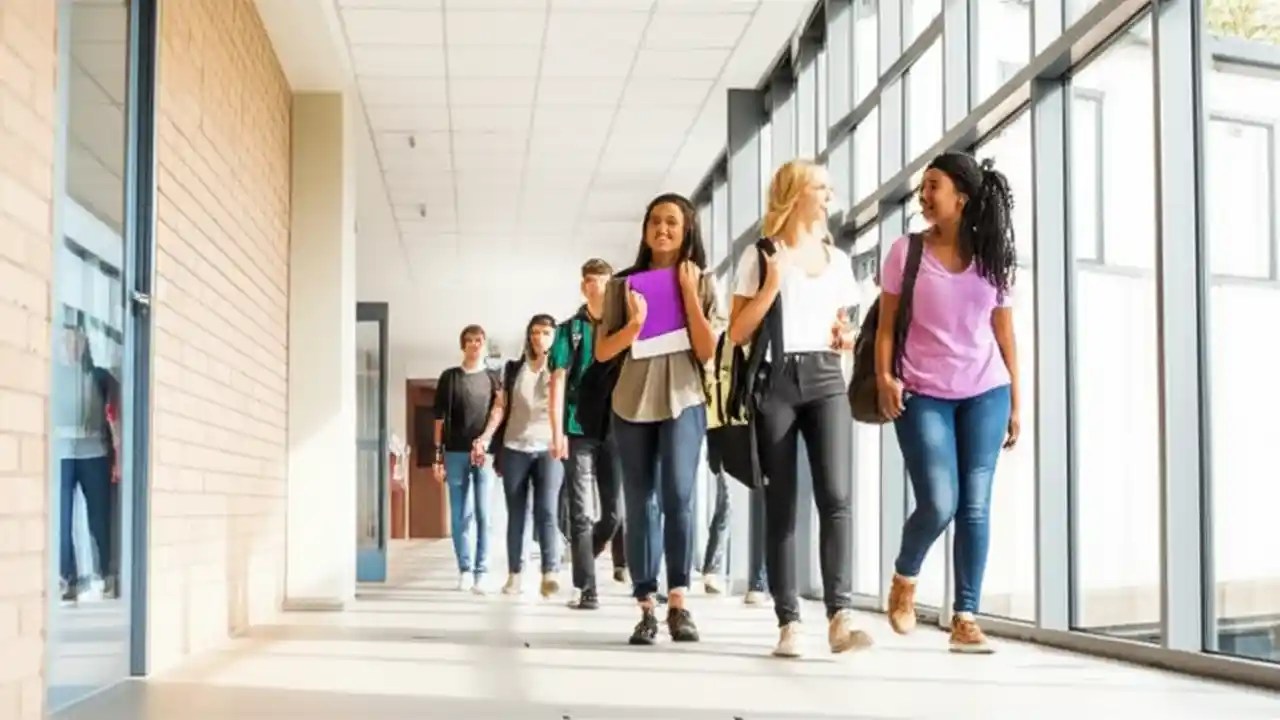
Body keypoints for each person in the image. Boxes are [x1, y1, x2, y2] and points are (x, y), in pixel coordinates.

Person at [876, 151, 1019, 654]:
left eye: (933, 185)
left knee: (975, 507)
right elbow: (888, 327)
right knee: (939, 501)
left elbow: (1005, 334)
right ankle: (905, 577)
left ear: (961, 196)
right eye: (923, 185)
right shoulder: (905, 252)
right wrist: (884, 378)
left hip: (986, 392)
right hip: (923, 394)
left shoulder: (991, 259)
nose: (924, 194)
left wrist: (1017, 403)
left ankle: (965, 616)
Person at [728, 159, 869, 658]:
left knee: (836, 496)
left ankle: (840, 615)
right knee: (782, 502)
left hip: (829, 377)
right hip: (777, 380)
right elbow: (738, 333)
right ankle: (789, 621)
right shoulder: (762, 254)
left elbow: (840, 323)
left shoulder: (840, 259)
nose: (830, 195)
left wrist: (847, 335)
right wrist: (771, 284)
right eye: (821, 187)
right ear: (794, 193)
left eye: (830, 186)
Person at [596, 193, 719, 645]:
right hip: (631, 401)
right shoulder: (621, 286)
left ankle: (679, 602)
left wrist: (687, 292)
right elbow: (603, 350)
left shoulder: (703, 281)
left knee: (679, 496)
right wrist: (633, 326)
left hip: (684, 397)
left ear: (687, 230)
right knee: (640, 501)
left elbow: (707, 350)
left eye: (672, 222)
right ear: (645, 230)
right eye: (654, 222)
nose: (662, 229)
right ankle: (646, 606)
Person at [550, 258, 627, 610]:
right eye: (594, 282)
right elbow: (557, 382)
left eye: (606, 282)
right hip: (577, 427)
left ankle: (586, 555)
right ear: (584, 286)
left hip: (616, 427)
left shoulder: (622, 327)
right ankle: (586, 587)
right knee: (580, 511)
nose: (600, 288)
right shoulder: (569, 331)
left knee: (615, 513)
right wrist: (556, 432)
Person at [433, 325, 504, 593]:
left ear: (484, 345)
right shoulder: (449, 378)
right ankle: (464, 569)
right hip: (454, 453)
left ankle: (481, 571)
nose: (474, 344)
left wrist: (485, 440)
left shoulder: (493, 378)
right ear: (462, 345)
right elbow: (439, 419)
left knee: (484, 514)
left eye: (479, 340)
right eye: (469, 340)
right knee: (460, 515)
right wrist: (437, 455)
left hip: (483, 454)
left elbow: (499, 411)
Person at [497, 314, 564, 598]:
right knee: (516, 514)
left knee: (547, 510)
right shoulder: (514, 369)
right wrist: (488, 437)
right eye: (535, 332)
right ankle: (515, 574)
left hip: (548, 447)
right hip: (515, 447)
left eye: (546, 332)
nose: (539, 338)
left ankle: (550, 572)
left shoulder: (561, 368)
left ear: (554, 336)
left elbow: (563, 405)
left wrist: (562, 438)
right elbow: (501, 406)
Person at [55, 323, 120, 603]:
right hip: (60, 454)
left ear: (84, 344)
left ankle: (107, 574)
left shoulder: (99, 377)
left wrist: (118, 458)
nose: (72, 346)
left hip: (94, 454)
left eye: (77, 341)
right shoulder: (52, 376)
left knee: (99, 518)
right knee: (61, 519)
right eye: (67, 341)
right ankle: (66, 578)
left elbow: (115, 420)